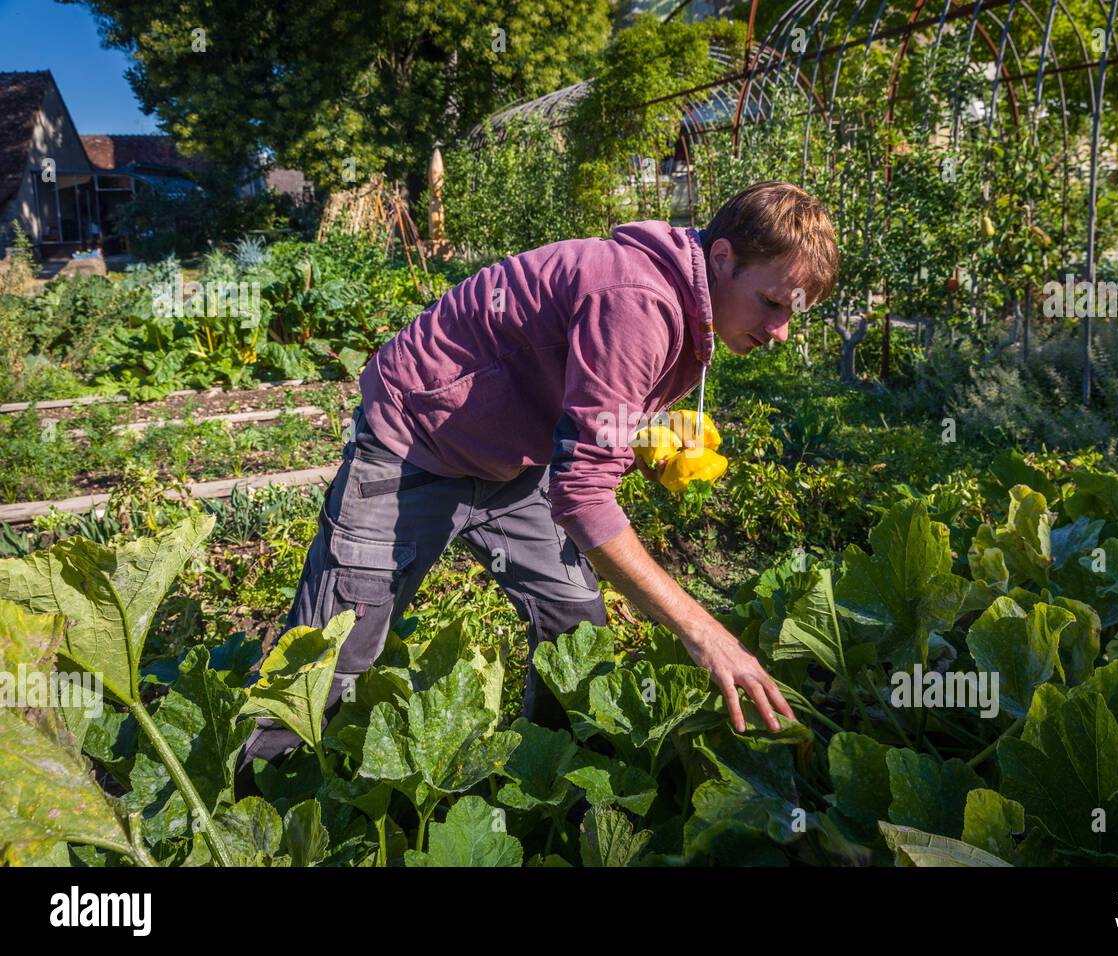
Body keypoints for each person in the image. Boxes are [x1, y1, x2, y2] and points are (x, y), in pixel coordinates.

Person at [234, 180, 840, 781]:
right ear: (723, 258)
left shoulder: (690, 303)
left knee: (574, 629)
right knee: (328, 660)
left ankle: (544, 782)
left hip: (512, 461)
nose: (781, 330)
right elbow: (581, 497)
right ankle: (245, 805)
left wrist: (643, 441)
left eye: (794, 312)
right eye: (773, 303)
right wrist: (705, 631)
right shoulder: (639, 300)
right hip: (417, 438)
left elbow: (592, 419)